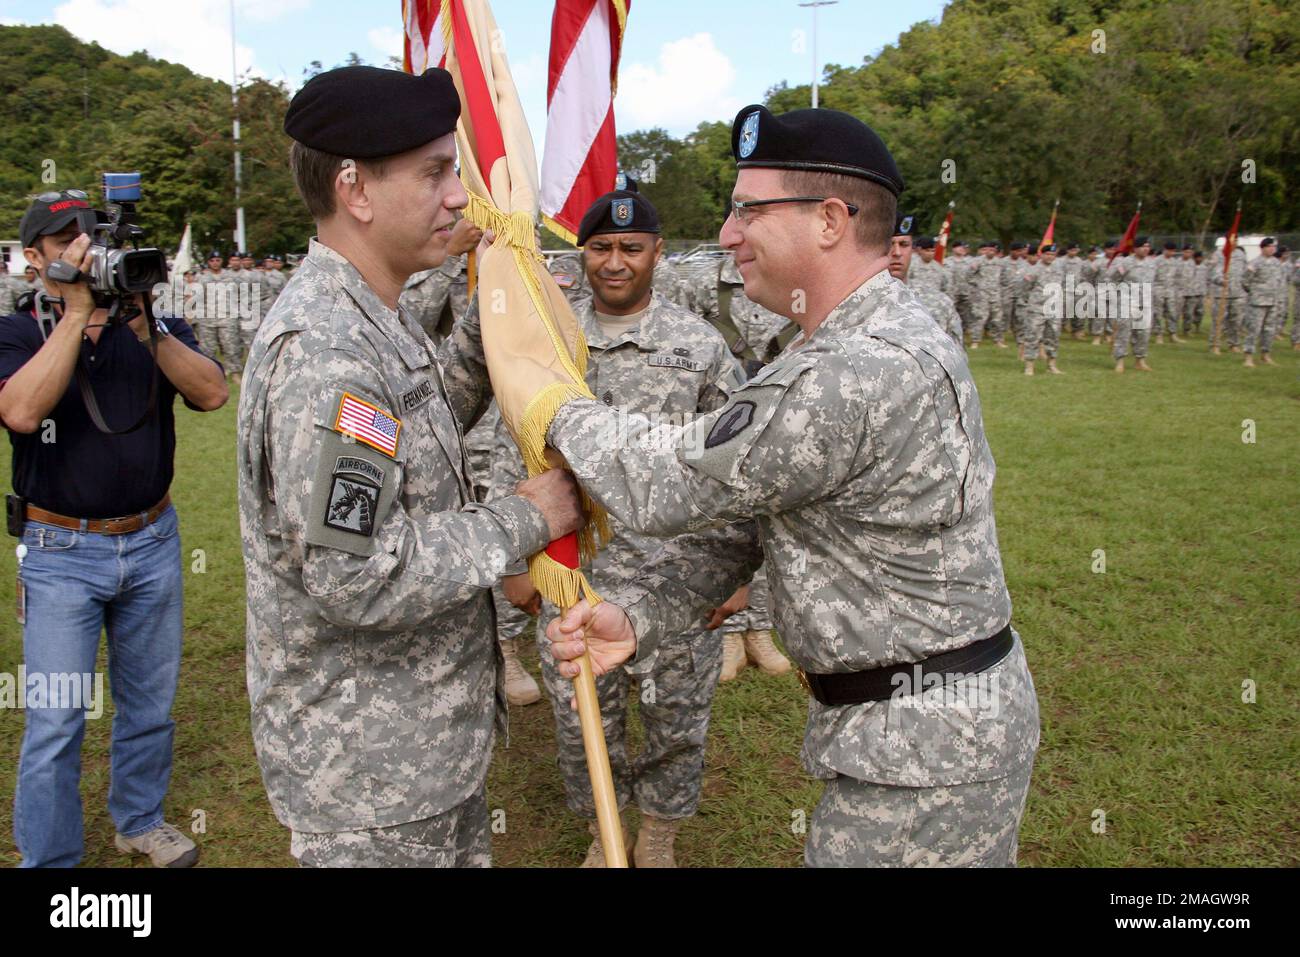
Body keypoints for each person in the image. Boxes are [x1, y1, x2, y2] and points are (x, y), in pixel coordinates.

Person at [543, 104, 1041, 867]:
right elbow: (741, 528)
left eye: (749, 209)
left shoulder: (856, 368)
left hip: (924, 752)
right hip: (913, 734)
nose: (729, 234)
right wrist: (638, 614)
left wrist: (549, 398)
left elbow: (659, 482)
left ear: (832, 220)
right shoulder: (850, 340)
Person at [236, 65, 583, 869]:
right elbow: (358, 575)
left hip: (418, 750)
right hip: (370, 774)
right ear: (355, 189)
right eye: (434, 172)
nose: (460, 195)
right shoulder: (329, 351)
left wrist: (498, 307)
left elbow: (409, 429)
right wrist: (527, 518)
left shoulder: (372, 314)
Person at [495, 186, 747, 867]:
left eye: (631, 248)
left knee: (675, 717)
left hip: (678, 576)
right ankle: (598, 831)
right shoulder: (547, 346)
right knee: (582, 718)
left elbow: (739, 466)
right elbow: (506, 446)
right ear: (582, 252)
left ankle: (659, 834)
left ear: (657, 253)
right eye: (601, 246)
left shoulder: (699, 346)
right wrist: (516, 567)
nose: (615, 261)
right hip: (576, 574)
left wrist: (739, 578)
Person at [0, 189, 229, 868]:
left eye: (92, 236)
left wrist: (144, 327)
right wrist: (75, 316)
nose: (84, 249)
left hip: (153, 541)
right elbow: (19, 409)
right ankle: (50, 861)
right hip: (58, 550)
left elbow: (212, 391)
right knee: (56, 722)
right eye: (66, 241)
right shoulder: (20, 328)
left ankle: (139, 819)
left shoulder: (149, 322)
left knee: (149, 706)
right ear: (36, 259)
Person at [1241, 236, 1283, 367]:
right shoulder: (1254, 263)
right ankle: (1248, 357)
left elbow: (1278, 280)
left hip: (1272, 301)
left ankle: (1265, 355)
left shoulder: (1276, 262)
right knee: (1254, 329)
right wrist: (1255, 292)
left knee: (1269, 330)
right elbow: (1245, 281)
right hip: (1257, 302)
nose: (1272, 249)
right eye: (1270, 246)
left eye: (1274, 247)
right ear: (1263, 248)